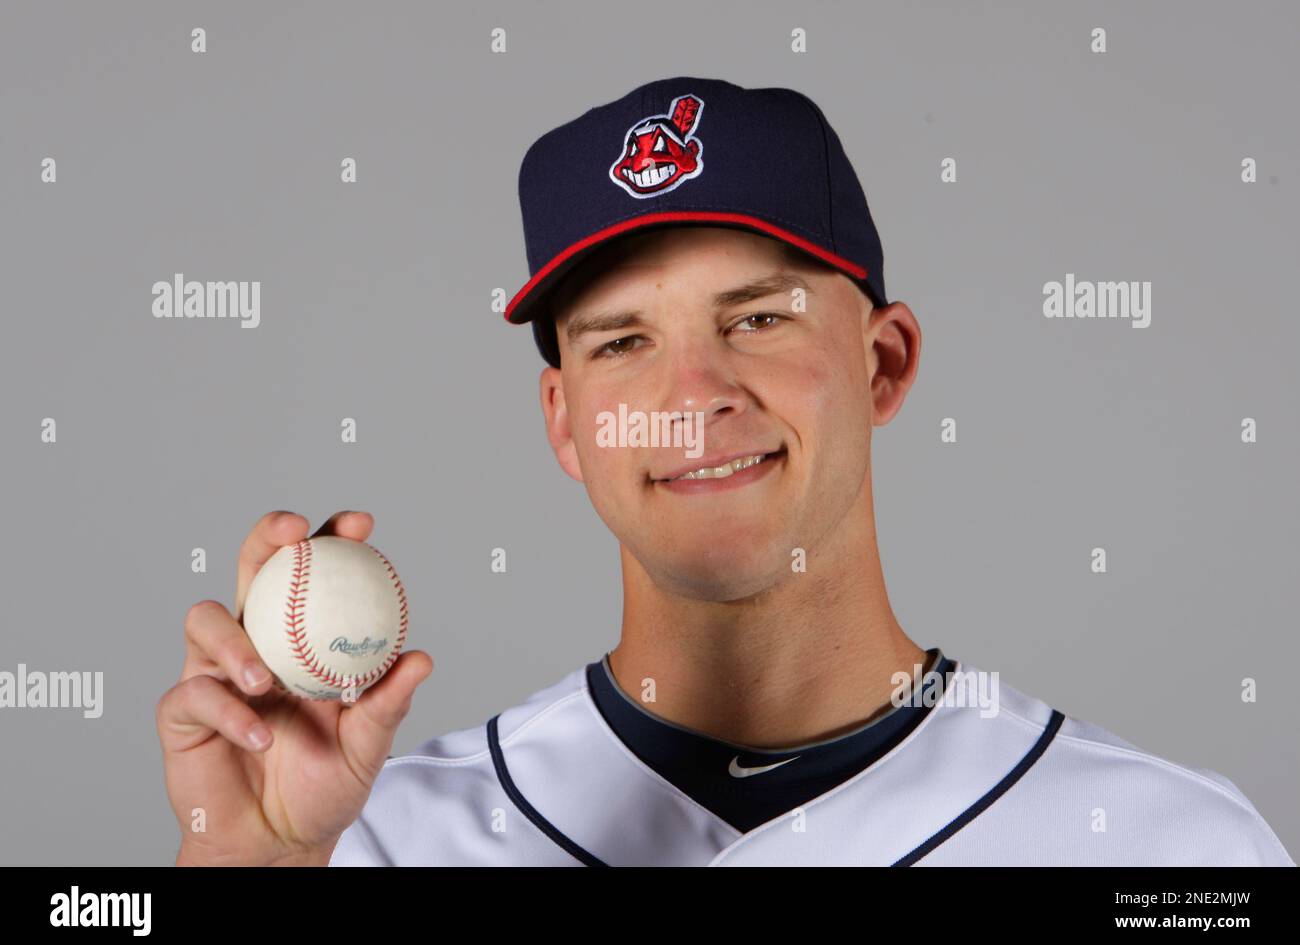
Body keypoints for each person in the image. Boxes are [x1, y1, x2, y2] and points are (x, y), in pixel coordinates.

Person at [157, 77, 1293, 866]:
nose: (693, 395)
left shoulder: (1167, 850)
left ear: (883, 361)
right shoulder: (373, 841)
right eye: (620, 340)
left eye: (757, 317)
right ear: (564, 421)